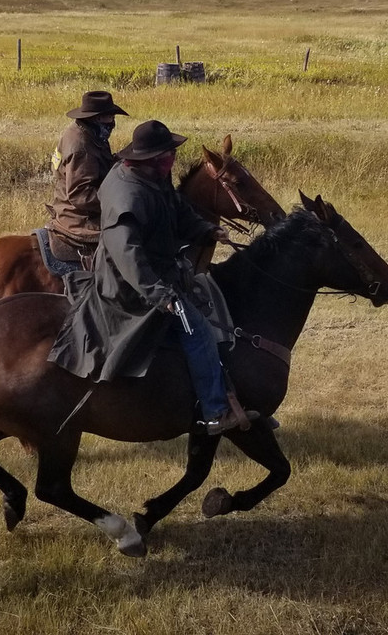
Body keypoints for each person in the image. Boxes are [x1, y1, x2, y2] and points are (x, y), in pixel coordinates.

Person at [50, 120, 256, 435]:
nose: (173, 159)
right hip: (127, 287)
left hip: (159, 273)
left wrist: (206, 229)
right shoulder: (126, 195)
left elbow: (178, 207)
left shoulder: (154, 177)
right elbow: (127, 255)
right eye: (168, 154)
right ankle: (216, 412)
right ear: (151, 158)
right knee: (196, 328)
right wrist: (161, 295)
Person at [46, 90, 128, 255]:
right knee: (129, 237)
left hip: (70, 206)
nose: (113, 122)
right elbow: (80, 195)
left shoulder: (89, 133)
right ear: (97, 118)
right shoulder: (81, 146)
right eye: (110, 117)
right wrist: (120, 203)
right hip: (80, 218)